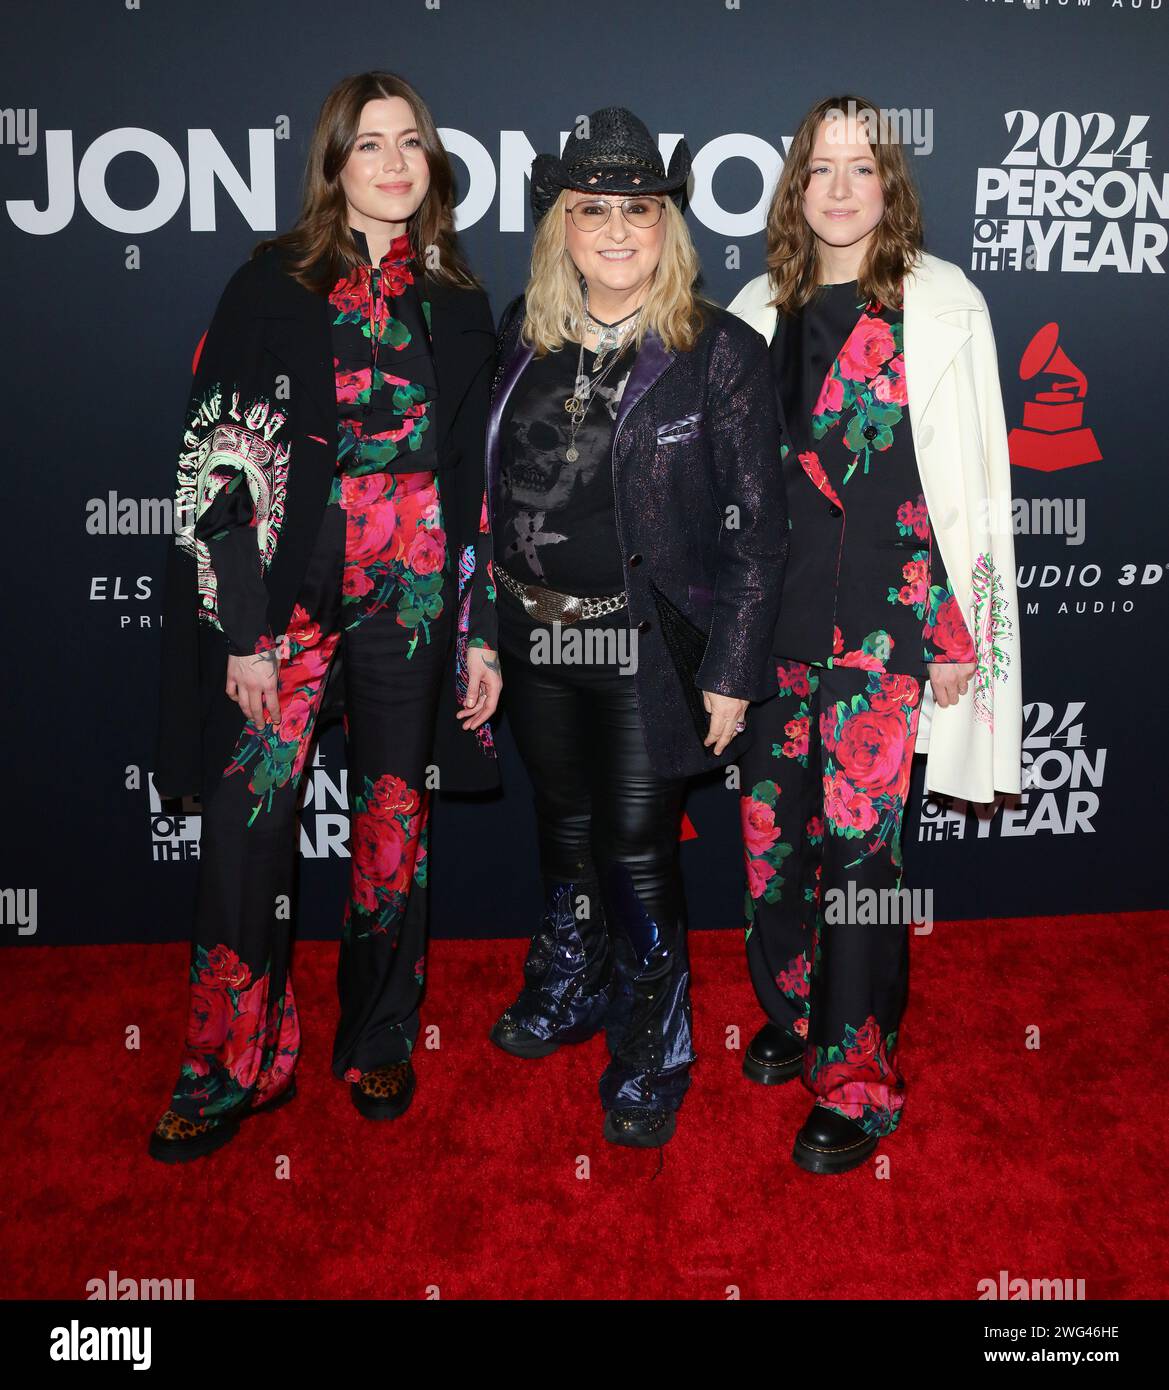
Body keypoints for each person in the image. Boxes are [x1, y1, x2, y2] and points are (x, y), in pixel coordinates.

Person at [149, 71, 501, 1163]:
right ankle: (226, 1061)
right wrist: (243, 631)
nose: (394, 163)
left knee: (396, 822)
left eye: (411, 144)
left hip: (414, 602)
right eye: (370, 145)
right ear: (334, 163)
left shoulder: (457, 301)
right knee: (247, 837)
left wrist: (479, 624)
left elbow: (475, 479)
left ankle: (379, 1030)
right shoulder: (272, 285)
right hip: (286, 608)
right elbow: (214, 464)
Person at [728, 94, 1022, 1174]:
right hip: (769, 628)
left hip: (888, 638)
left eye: (862, 168)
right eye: (820, 169)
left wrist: (959, 633)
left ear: (889, 186)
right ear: (795, 188)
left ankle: (856, 1078)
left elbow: (970, 488)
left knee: (861, 862)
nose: (841, 188)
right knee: (769, 845)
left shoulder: (941, 304)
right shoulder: (759, 306)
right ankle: (798, 1008)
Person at [487, 107, 788, 1147]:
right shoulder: (519, 337)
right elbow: (483, 495)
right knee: (562, 831)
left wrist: (733, 672)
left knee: (632, 846)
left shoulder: (718, 353)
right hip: (534, 641)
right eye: (591, 210)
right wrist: (483, 632)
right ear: (558, 226)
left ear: (667, 225)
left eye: (637, 210)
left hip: (642, 650)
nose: (615, 230)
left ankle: (653, 1045)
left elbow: (759, 535)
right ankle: (572, 983)